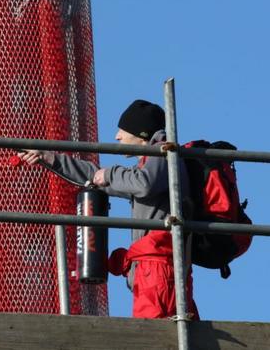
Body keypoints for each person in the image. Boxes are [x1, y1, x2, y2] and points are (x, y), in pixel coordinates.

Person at [18, 99, 199, 320]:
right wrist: (49, 158)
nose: (117, 137)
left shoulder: (163, 152)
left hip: (157, 272)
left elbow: (143, 183)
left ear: (141, 133)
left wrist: (111, 174)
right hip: (153, 271)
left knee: (152, 338)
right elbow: (96, 176)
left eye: (123, 130)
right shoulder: (153, 162)